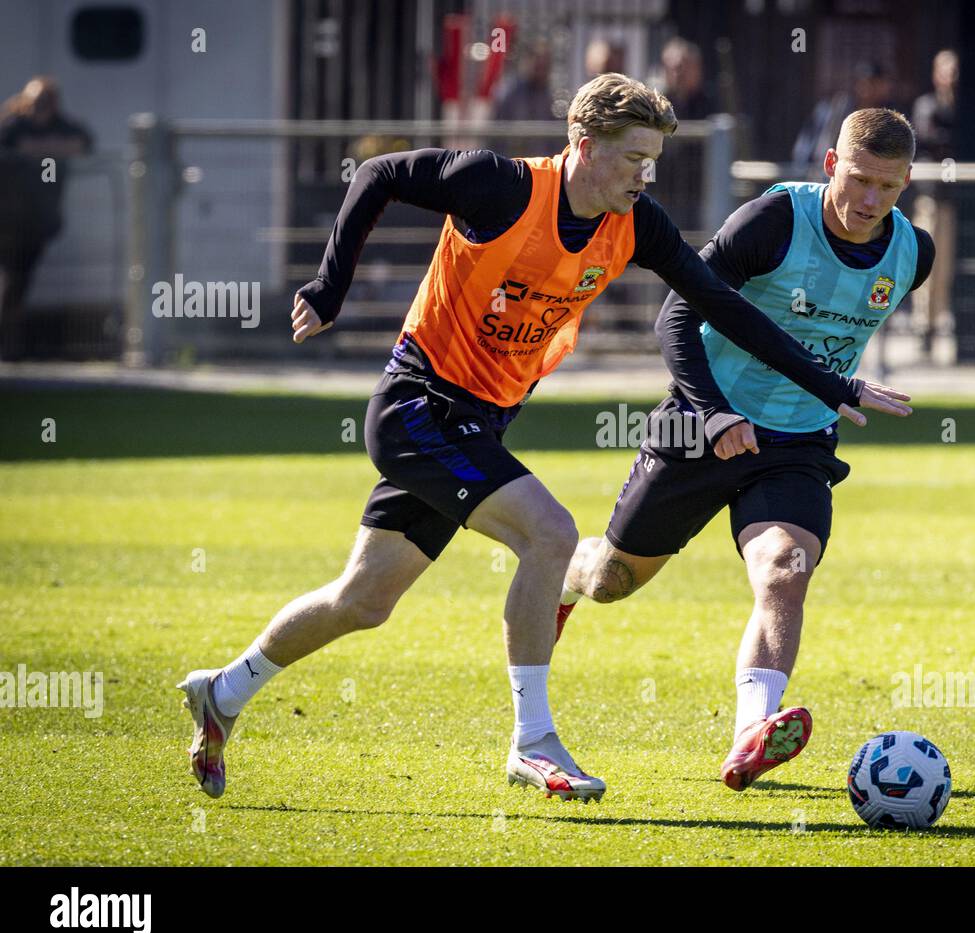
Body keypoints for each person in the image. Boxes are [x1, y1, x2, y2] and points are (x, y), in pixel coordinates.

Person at [177, 74, 907, 803]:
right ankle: (532, 742)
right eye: (632, 159)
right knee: (551, 533)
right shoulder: (499, 186)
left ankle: (224, 691)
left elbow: (723, 307)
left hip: (481, 420)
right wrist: (329, 287)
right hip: (420, 405)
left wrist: (836, 386)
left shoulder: (636, 222)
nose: (644, 176)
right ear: (584, 147)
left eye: (652, 160)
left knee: (363, 600)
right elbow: (379, 173)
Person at [559, 108, 933, 790]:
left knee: (785, 569)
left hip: (798, 443)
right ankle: (569, 568)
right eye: (857, 179)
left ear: (907, 182)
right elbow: (674, 317)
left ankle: (750, 733)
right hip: (701, 423)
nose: (870, 200)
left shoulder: (915, 254)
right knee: (611, 581)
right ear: (829, 166)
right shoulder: (773, 222)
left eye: (888, 186)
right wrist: (713, 413)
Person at [0, 76, 92, 360]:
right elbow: (15, 144)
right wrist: (46, 147)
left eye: (46, 102)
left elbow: (84, 143)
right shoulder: (14, 124)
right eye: (37, 102)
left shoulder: (63, 125)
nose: (41, 108)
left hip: (35, 222)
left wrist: (39, 148)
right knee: (9, 279)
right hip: (5, 218)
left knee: (19, 281)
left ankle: (9, 343)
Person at [910, 49, 959, 358]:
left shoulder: (962, 107)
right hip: (930, 197)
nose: (952, 77)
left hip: (953, 199)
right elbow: (928, 138)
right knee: (927, 264)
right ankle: (922, 328)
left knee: (946, 267)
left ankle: (939, 324)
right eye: (947, 70)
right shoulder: (926, 105)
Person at [659, 37, 715, 120]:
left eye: (680, 67)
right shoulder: (658, 104)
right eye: (669, 69)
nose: (678, 75)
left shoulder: (713, 101)